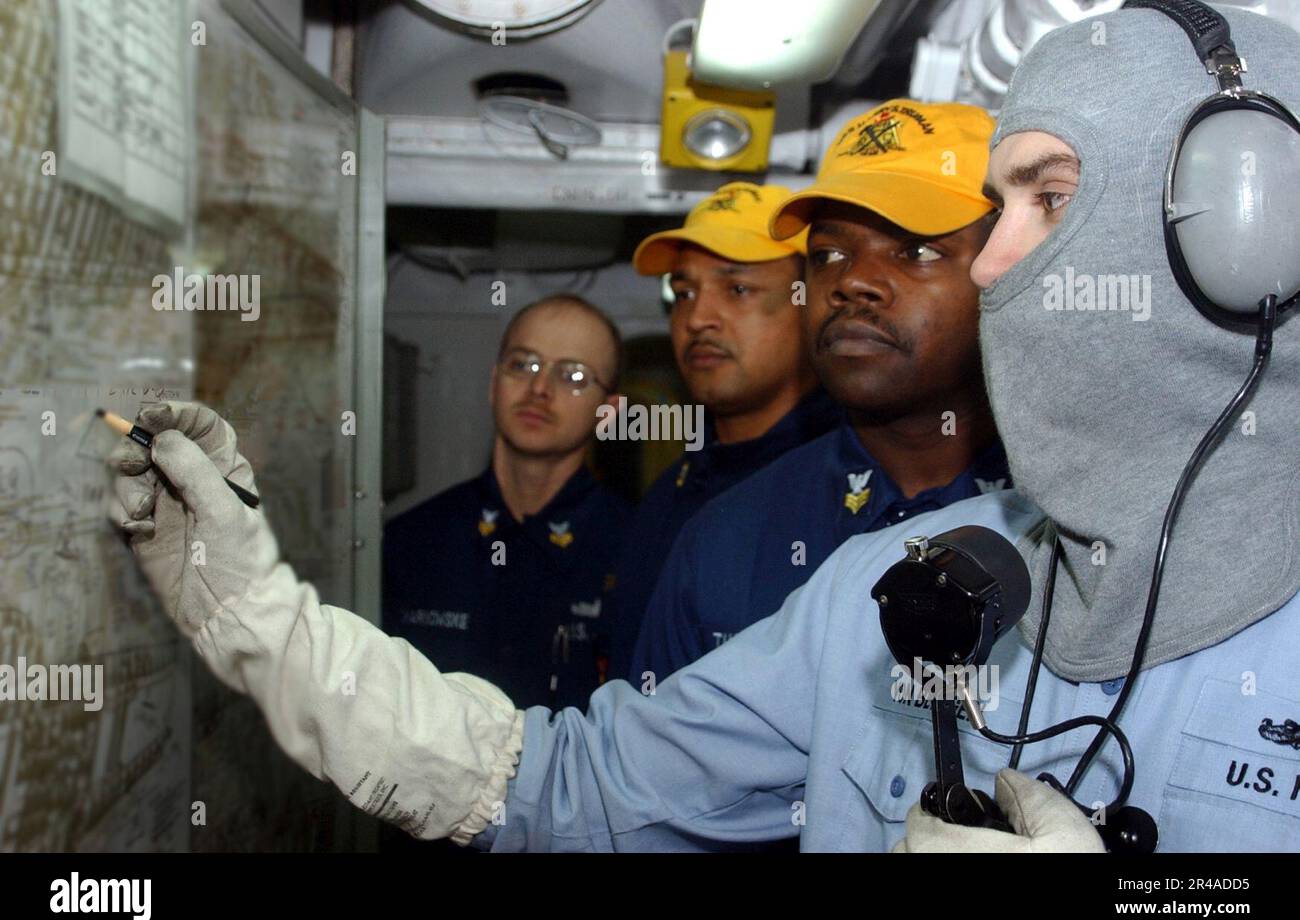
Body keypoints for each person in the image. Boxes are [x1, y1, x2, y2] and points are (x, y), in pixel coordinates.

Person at [106, 6, 1300, 852]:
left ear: (1247, 236)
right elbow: (563, 783)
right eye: (992, 213)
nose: (994, 263)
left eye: (1048, 199)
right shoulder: (875, 593)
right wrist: (253, 611)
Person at [629, 100, 1010, 687]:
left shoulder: (1075, 528)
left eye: (918, 250)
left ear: (1008, 269)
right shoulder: (722, 538)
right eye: (830, 255)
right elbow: (646, 770)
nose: (852, 280)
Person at [607, 183, 840, 681]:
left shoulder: (855, 486)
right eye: (683, 292)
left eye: (737, 289)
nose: (697, 318)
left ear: (812, 303)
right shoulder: (670, 494)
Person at [382, 294, 629, 711]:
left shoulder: (634, 551)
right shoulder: (411, 542)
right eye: (523, 364)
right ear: (494, 384)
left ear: (607, 413)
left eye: (572, 375)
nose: (539, 389)